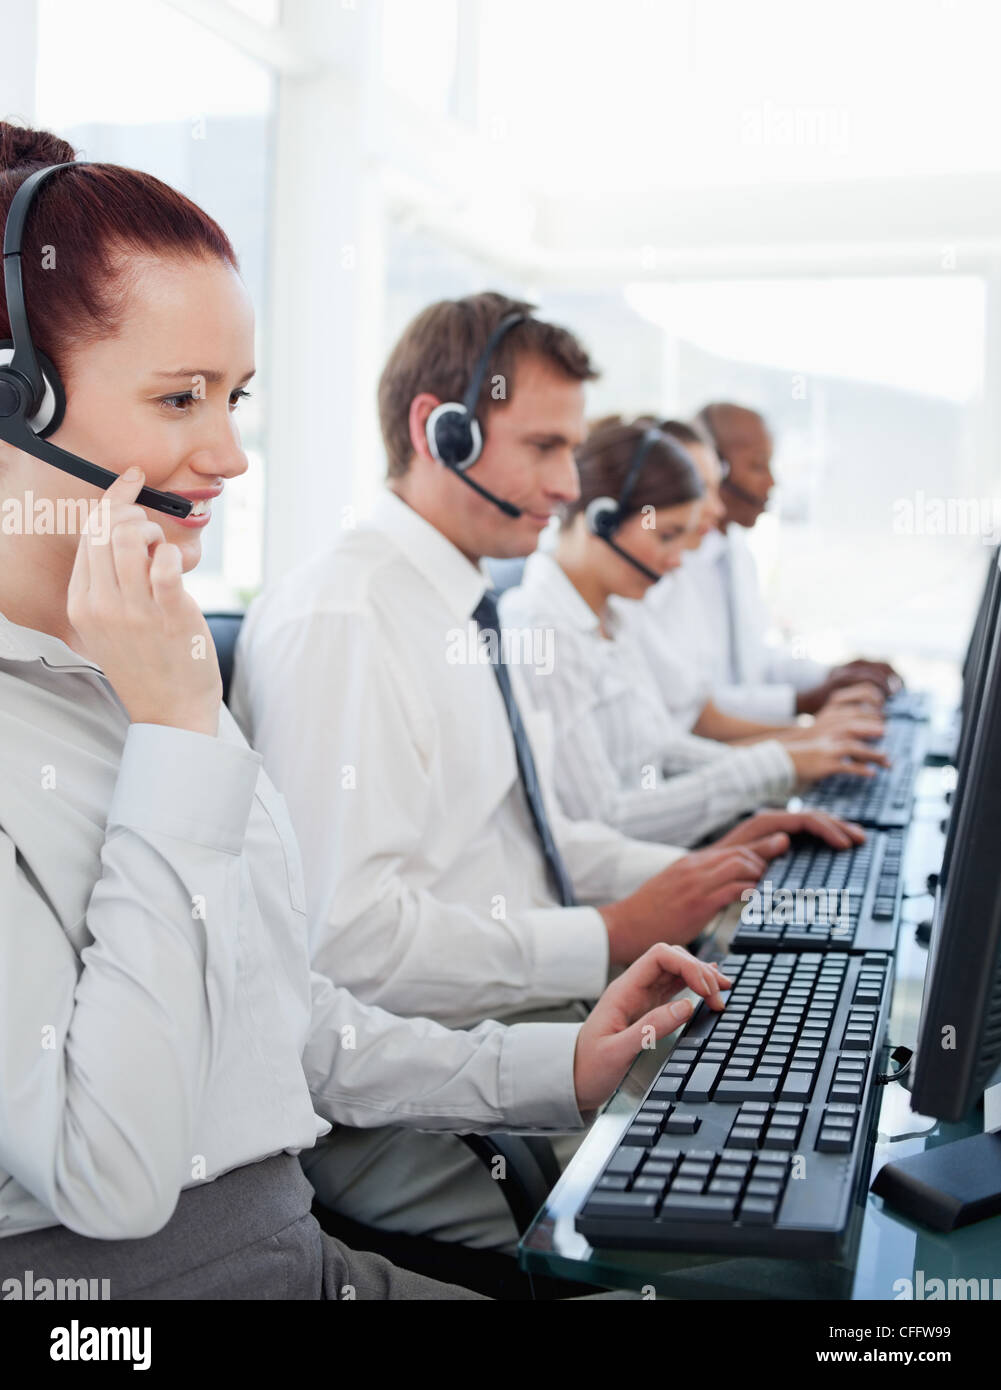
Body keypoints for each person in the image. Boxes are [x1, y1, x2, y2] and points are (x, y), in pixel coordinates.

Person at [0, 123, 731, 1301]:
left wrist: (562, 1065)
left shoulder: (142, 661)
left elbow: (282, 1013)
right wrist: (179, 737)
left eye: (235, 397)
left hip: (297, 1253)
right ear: (15, 400)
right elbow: (113, 1177)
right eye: (180, 396)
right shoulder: (157, 694)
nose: (230, 454)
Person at [232, 292, 864, 1251]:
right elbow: (349, 949)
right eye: (541, 448)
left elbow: (525, 832)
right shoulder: (350, 621)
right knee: (743, 1227)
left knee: (807, 1116)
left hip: (515, 1013)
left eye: (572, 450)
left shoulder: (453, 601)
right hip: (408, 1082)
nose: (571, 485)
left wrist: (668, 881)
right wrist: (602, 934)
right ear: (436, 430)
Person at [500, 415, 886, 846]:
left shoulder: (614, 617)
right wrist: (777, 764)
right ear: (601, 521)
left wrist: (786, 763)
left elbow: (663, 749)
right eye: (666, 536)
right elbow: (603, 820)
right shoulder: (544, 635)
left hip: (664, 855)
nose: (676, 560)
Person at [612, 417, 888, 739]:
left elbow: (756, 665)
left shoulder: (737, 552)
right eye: (757, 466)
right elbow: (695, 718)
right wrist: (804, 723)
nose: (772, 483)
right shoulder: (661, 571)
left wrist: (833, 676)